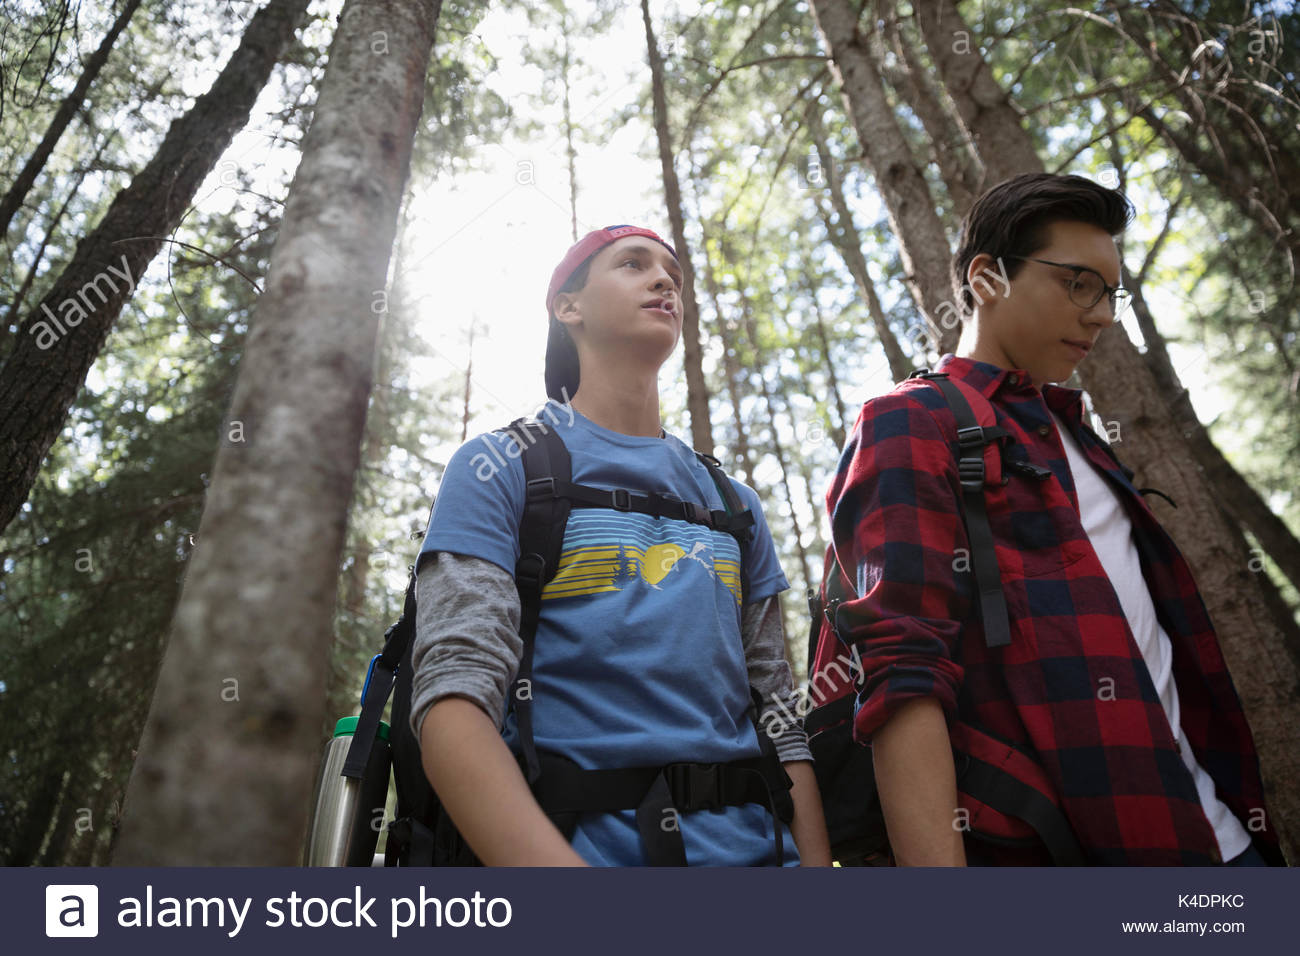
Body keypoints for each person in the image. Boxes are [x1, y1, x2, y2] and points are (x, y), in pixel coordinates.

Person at [824, 174, 1282, 866]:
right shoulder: (911, 421)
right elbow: (902, 676)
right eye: (1079, 283)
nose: (1102, 315)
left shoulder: (1082, 439)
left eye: (1111, 292)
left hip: (1223, 838)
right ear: (987, 279)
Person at [410, 224, 830, 866]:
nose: (665, 281)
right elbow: (453, 694)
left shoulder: (733, 502)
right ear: (567, 306)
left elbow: (777, 713)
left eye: (673, 274)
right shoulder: (500, 465)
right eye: (633, 264)